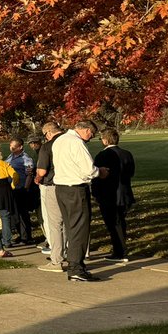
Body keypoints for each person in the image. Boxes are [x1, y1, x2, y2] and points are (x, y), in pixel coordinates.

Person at [53, 119, 108, 282]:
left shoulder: (60, 140)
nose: (90, 138)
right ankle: (76, 268)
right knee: (80, 228)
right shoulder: (77, 143)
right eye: (91, 134)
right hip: (75, 189)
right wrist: (101, 172)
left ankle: (74, 263)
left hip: (61, 187)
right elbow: (88, 169)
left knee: (71, 227)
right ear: (86, 131)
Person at [92, 128, 135, 262]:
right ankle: (121, 249)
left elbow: (97, 177)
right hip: (125, 193)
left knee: (113, 224)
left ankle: (119, 252)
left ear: (105, 140)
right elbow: (131, 172)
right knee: (120, 222)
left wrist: (95, 194)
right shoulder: (127, 154)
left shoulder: (102, 155)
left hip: (109, 195)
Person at [34, 122, 68, 274]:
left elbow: (42, 171)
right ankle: (68, 253)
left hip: (53, 185)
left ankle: (57, 259)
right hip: (70, 185)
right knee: (68, 222)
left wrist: (37, 178)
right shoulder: (70, 142)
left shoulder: (47, 147)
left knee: (55, 224)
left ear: (47, 133)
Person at [7, 138, 36, 245]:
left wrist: (26, 188)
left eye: (14, 146)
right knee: (15, 213)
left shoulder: (26, 159)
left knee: (23, 213)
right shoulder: (10, 157)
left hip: (21, 189)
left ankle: (26, 237)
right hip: (12, 188)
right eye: (10, 146)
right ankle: (21, 234)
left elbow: (29, 175)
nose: (11, 148)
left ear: (20, 147)